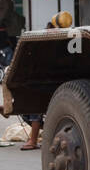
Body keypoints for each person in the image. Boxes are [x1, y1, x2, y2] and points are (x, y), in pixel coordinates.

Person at [20, 11, 75, 151]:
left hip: (51, 81)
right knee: (27, 106)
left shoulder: (62, 39)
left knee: (34, 102)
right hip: (59, 80)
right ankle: (49, 130)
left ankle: (33, 140)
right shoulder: (72, 38)